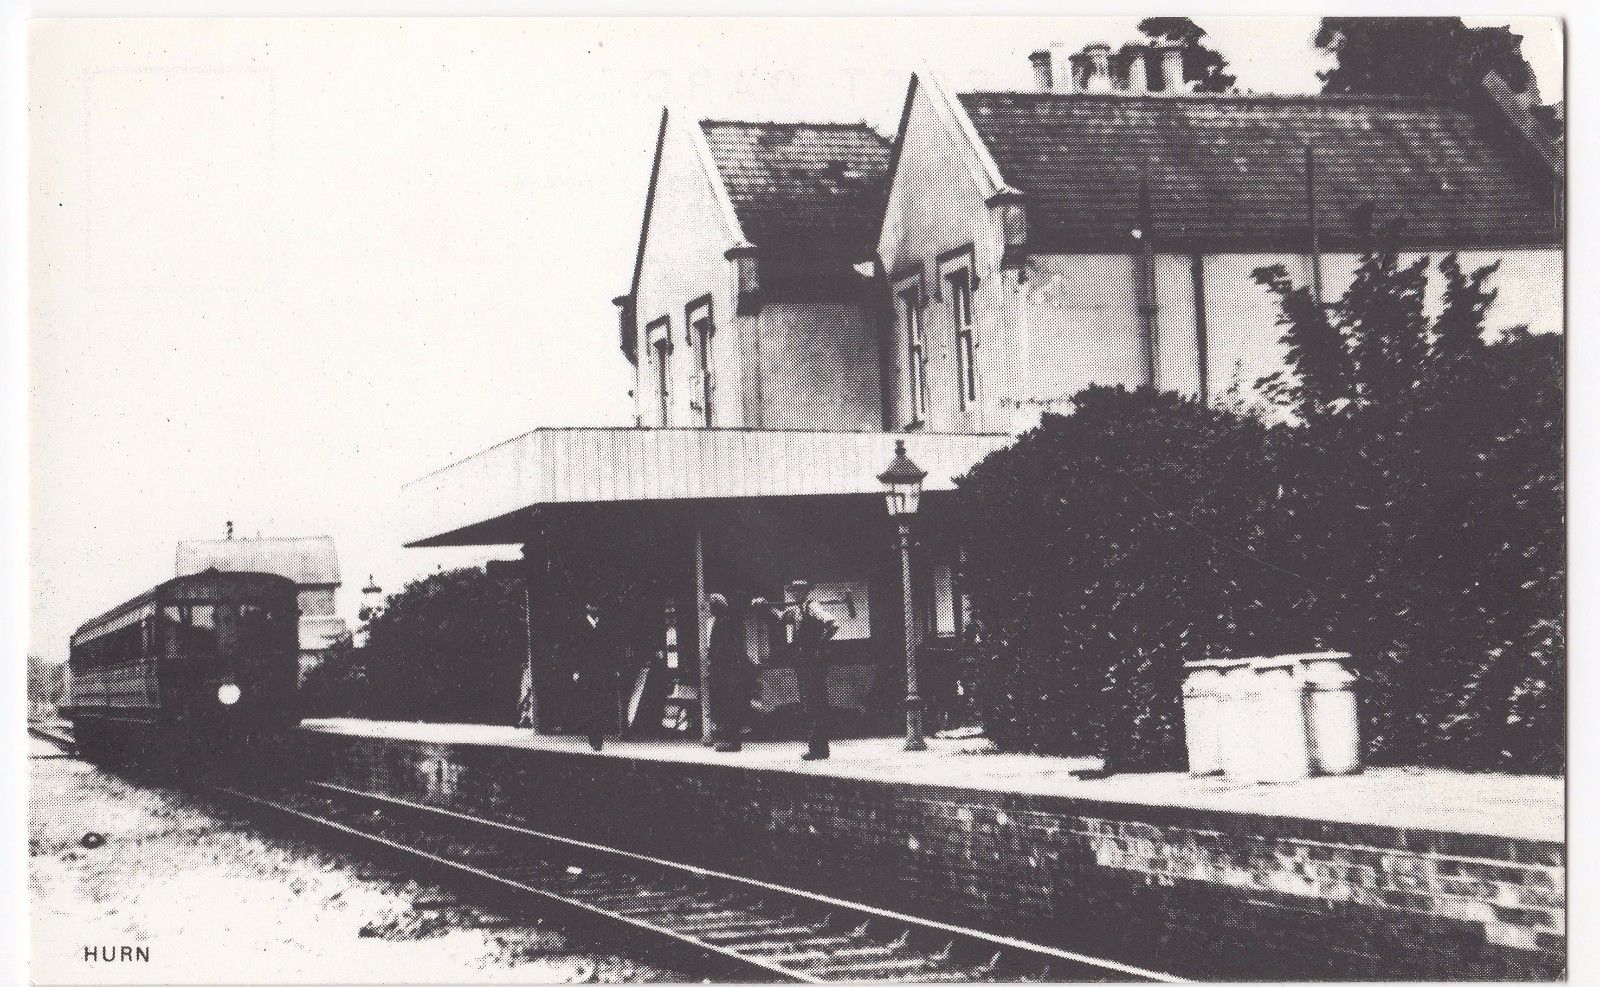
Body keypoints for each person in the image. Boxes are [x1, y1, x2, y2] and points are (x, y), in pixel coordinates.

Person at [754, 579, 838, 760]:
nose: (796, 593)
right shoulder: (795, 609)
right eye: (794, 590)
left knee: (815, 703)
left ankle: (819, 748)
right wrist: (765, 606)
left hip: (813, 662)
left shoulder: (811, 606)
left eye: (800, 590)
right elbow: (781, 618)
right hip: (803, 662)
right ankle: (818, 748)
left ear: (806, 591)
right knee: (809, 704)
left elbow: (832, 623)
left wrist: (818, 646)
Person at [706, 593, 754, 752]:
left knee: (729, 704)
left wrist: (714, 660)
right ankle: (730, 739)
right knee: (730, 704)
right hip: (729, 669)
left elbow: (725, 648)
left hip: (727, 670)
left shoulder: (724, 623)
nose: (710, 609)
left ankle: (732, 741)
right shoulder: (727, 621)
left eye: (712, 606)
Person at [571, 600, 620, 751]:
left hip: (602, 672)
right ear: (587, 608)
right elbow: (574, 650)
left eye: (596, 606)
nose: (595, 609)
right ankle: (594, 739)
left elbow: (610, 649)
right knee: (590, 705)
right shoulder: (579, 627)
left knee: (600, 704)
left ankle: (598, 738)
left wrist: (614, 667)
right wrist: (575, 670)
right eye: (592, 606)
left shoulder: (603, 625)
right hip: (586, 672)